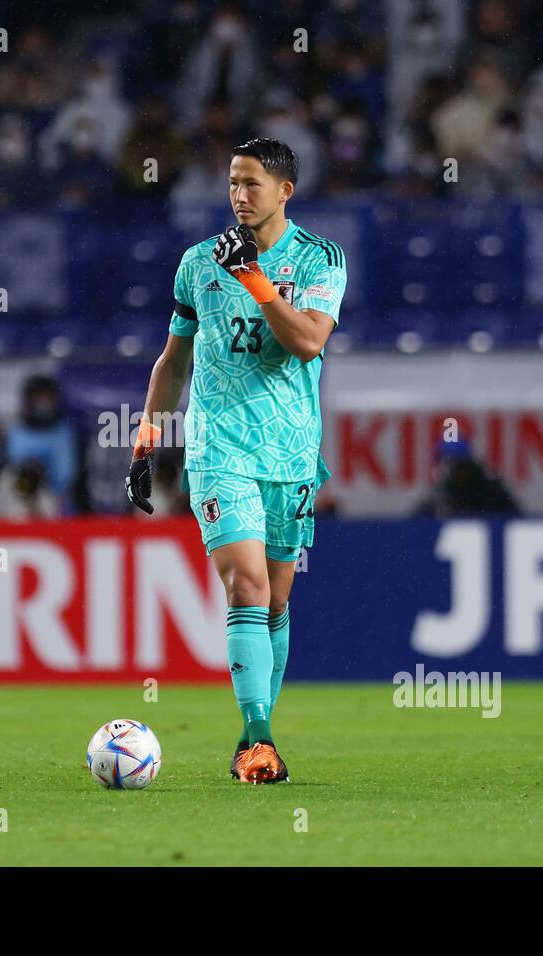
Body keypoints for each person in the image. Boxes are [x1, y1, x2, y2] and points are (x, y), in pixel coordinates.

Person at [126, 138, 346, 784]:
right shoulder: (198, 264)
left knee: (275, 604)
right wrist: (146, 439)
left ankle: (259, 734)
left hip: (292, 455)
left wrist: (254, 278)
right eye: (232, 183)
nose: (239, 195)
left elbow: (306, 343)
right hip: (220, 448)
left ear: (285, 191)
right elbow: (174, 360)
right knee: (244, 587)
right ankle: (258, 739)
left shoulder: (320, 260)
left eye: (252, 184)